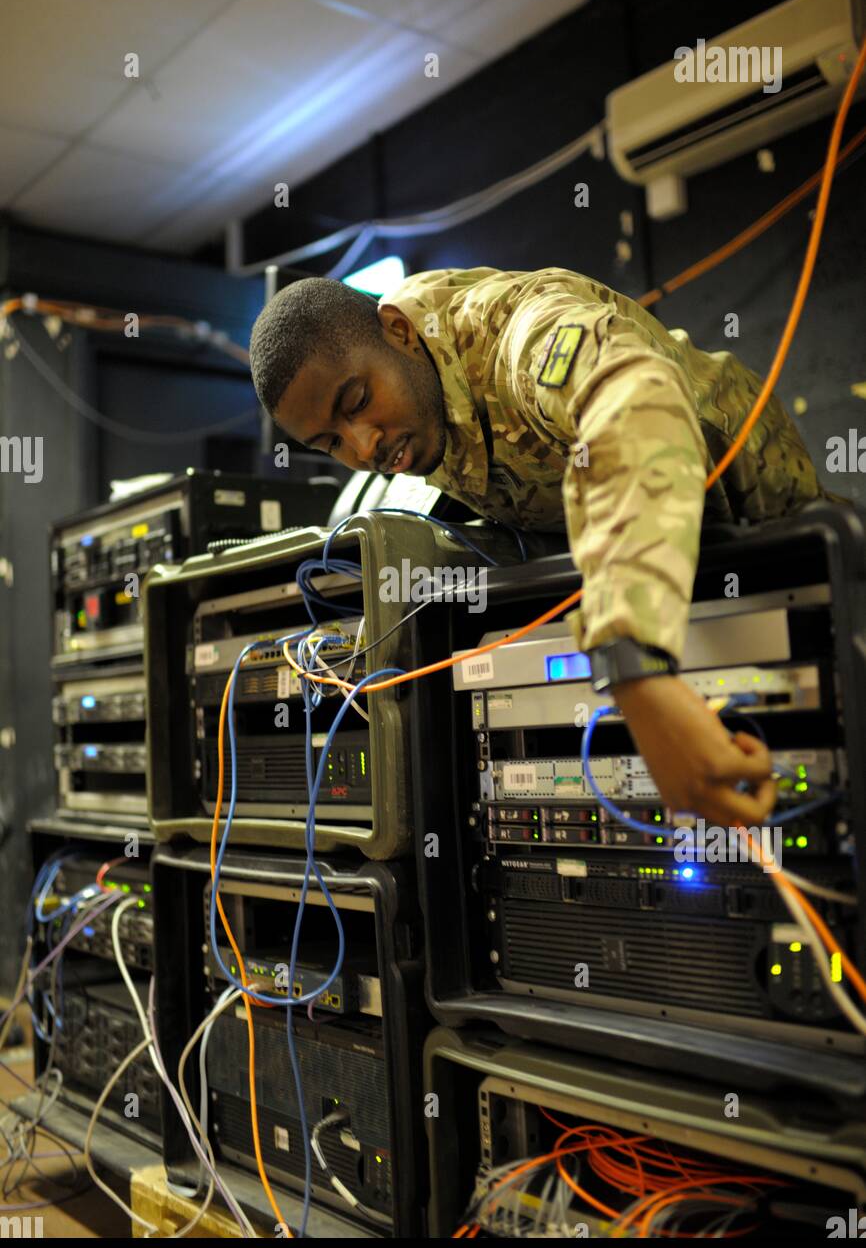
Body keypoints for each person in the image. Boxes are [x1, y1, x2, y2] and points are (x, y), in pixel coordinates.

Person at [249, 266, 830, 827]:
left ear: (398, 330)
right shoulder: (413, 409)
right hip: (681, 575)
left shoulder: (518, 333)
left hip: (783, 545)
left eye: (356, 403)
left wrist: (634, 667)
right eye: (330, 442)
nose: (362, 445)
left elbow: (632, 398)